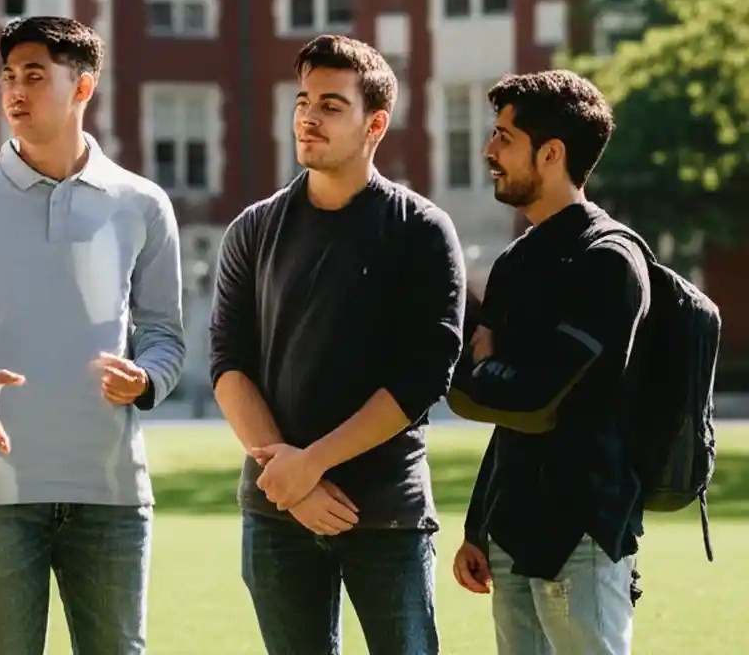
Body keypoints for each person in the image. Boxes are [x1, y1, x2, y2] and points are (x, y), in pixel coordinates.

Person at [0, 15, 185, 655]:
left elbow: (165, 334)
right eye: (9, 76)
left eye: (36, 75)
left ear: (83, 87)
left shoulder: (141, 204)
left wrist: (148, 380)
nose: (16, 91)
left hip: (112, 494)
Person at [209, 33, 466, 655]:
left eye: (330, 105)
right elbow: (229, 362)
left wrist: (311, 463)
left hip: (384, 512)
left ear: (374, 123)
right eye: (302, 101)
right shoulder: (253, 229)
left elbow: (423, 376)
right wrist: (290, 480)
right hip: (277, 513)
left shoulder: (422, 231)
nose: (307, 117)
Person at [447, 70, 648, 655]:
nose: (489, 151)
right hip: (511, 531)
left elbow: (534, 398)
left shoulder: (610, 261)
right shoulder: (516, 263)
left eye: (504, 137)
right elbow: (510, 414)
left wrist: (479, 369)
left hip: (582, 532)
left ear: (552, 153)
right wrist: (478, 525)